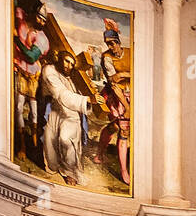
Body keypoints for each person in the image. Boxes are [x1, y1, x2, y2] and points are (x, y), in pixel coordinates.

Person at [39, 51, 90, 185]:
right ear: (60, 59)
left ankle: (70, 172)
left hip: (71, 113)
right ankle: (56, 167)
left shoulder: (70, 78)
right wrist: (87, 100)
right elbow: (61, 94)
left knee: (66, 139)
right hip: (56, 110)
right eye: (67, 61)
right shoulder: (49, 70)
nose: (69, 66)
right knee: (51, 148)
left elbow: (72, 94)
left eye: (72, 64)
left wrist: (87, 100)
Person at [93, 22, 131, 186]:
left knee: (114, 127)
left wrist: (123, 73)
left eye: (113, 42)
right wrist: (128, 107)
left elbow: (137, 74)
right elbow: (114, 83)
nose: (111, 46)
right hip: (117, 98)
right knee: (123, 129)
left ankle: (99, 154)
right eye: (108, 44)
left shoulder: (131, 53)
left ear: (118, 41)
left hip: (132, 94)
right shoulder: (106, 57)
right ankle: (124, 171)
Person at [14, 0, 50, 161]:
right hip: (20, 70)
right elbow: (16, 12)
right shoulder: (23, 23)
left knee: (34, 113)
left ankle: (34, 144)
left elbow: (31, 56)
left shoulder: (42, 39)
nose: (41, 22)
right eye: (40, 18)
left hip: (33, 75)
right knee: (19, 108)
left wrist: (15, 40)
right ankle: (22, 144)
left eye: (44, 20)